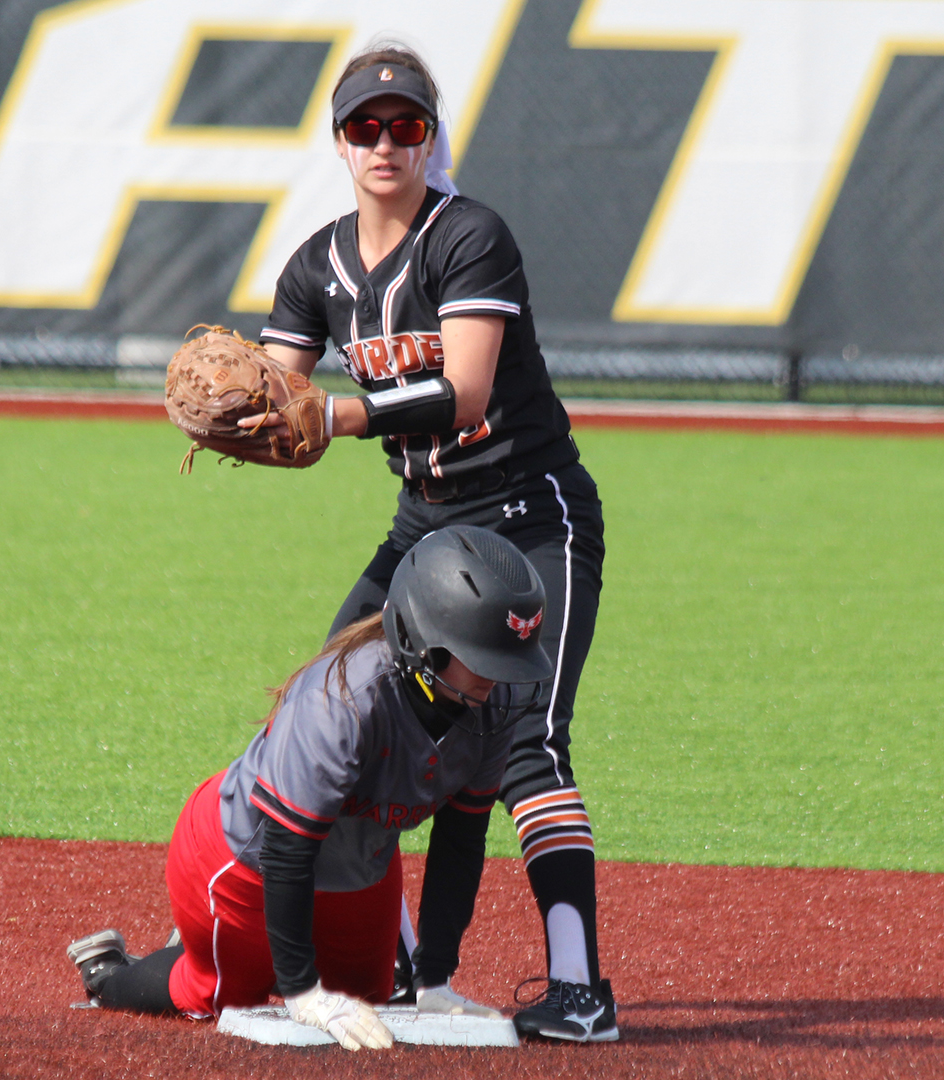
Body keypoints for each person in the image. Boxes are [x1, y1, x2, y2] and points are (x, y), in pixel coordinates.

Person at [245, 43, 615, 1042]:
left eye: (406, 124)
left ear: (430, 137)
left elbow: (467, 392)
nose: (385, 141)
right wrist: (243, 418)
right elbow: (284, 405)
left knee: (528, 734)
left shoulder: (469, 239)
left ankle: (578, 988)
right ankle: (397, 963)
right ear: (338, 140)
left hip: (533, 513)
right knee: (326, 703)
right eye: (365, 125)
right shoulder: (315, 267)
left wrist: (338, 417)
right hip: (428, 526)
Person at [68, 527, 551, 1050]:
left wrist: (434, 980)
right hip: (241, 856)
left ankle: (244, 946)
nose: (498, 678)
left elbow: (460, 841)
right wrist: (302, 994)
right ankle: (114, 973)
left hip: (355, 865)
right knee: (225, 995)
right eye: (481, 657)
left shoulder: (490, 702)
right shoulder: (342, 699)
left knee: (372, 994)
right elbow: (285, 848)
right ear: (422, 642)